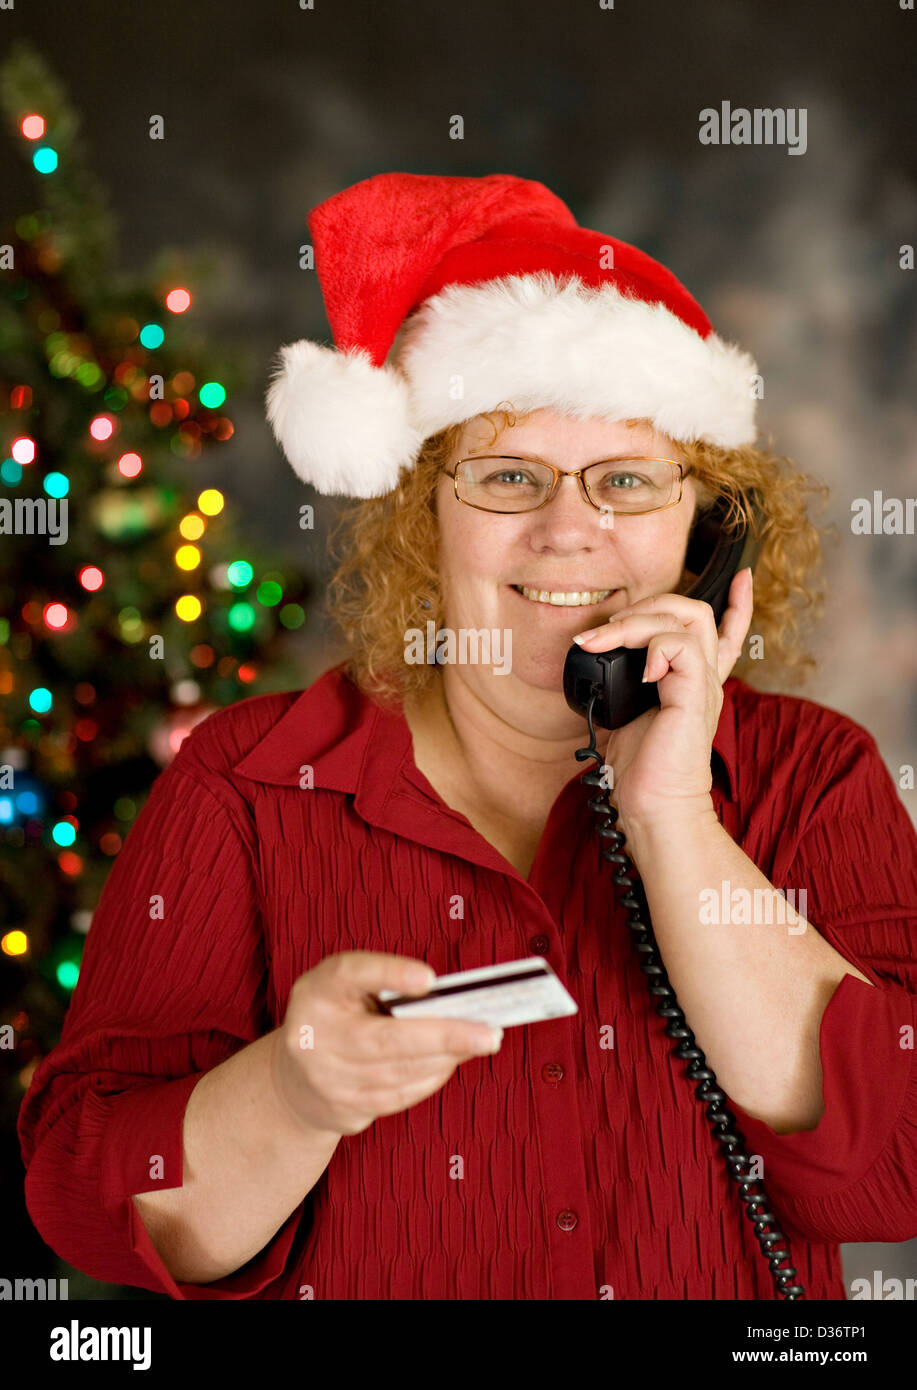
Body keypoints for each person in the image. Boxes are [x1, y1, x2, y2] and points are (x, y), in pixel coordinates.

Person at [18, 172, 917, 1301]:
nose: (566, 533)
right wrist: (295, 1093)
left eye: (626, 481)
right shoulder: (246, 784)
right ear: (419, 513)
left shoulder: (808, 776)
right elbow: (94, 1203)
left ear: (708, 528)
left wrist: (672, 819)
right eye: (505, 478)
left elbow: (894, 1171)